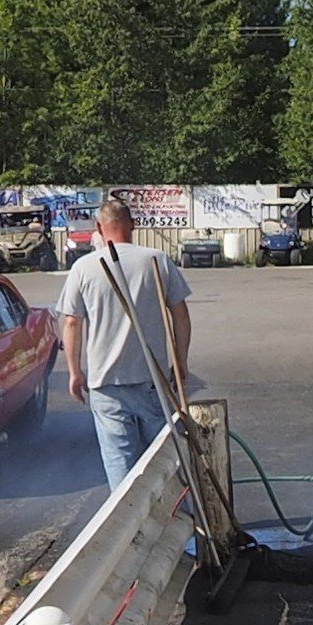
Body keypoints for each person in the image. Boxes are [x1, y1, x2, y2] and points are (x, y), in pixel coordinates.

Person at [58, 201, 193, 491]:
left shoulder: (84, 268)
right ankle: (174, 522)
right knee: (163, 461)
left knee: (121, 468)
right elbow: (180, 314)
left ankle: (131, 530)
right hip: (152, 380)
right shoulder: (157, 259)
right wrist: (181, 361)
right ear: (133, 225)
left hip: (106, 384)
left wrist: (74, 371)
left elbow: (71, 322)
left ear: (98, 228)